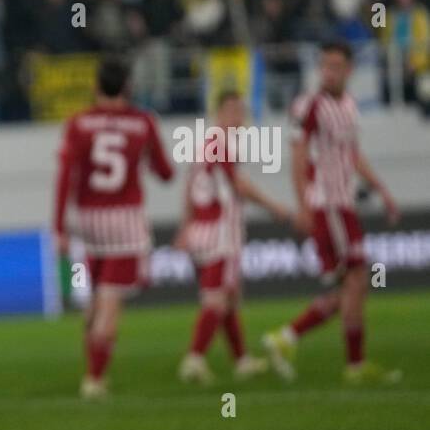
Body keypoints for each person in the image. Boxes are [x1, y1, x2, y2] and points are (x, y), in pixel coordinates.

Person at [262, 41, 402, 383]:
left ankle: (287, 337)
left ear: (349, 70)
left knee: (351, 286)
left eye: (335, 66)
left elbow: (352, 155)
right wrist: (304, 206)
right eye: (324, 65)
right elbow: (297, 156)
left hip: (344, 204)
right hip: (327, 205)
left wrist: (382, 189)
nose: (328, 72)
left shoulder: (350, 106)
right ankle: (354, 364)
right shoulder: (309, 106)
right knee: (356, 280)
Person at [53, 57, 174, 398]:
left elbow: (66, 176)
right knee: (110, 303)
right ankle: (94, 378)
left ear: (96, 87)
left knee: (96, 301)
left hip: (88, 223)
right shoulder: (143, 122)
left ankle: (92, 355)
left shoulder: (79, 124)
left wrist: (58, 227)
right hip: (126, 224)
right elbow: (165, 172)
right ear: (129, 87)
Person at [175, 91, 293, 383]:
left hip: (202, 231)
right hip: (221, 234)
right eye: (231, 111)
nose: (237, 118)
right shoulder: (221, 144)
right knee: (217, 299)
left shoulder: (206, 145)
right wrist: (273, 206)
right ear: (218, 114)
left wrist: (186, 227)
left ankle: (241, 360)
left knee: (229, 297)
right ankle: (195, 357)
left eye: (240, 112)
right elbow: (238, 186)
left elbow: (190, 188)